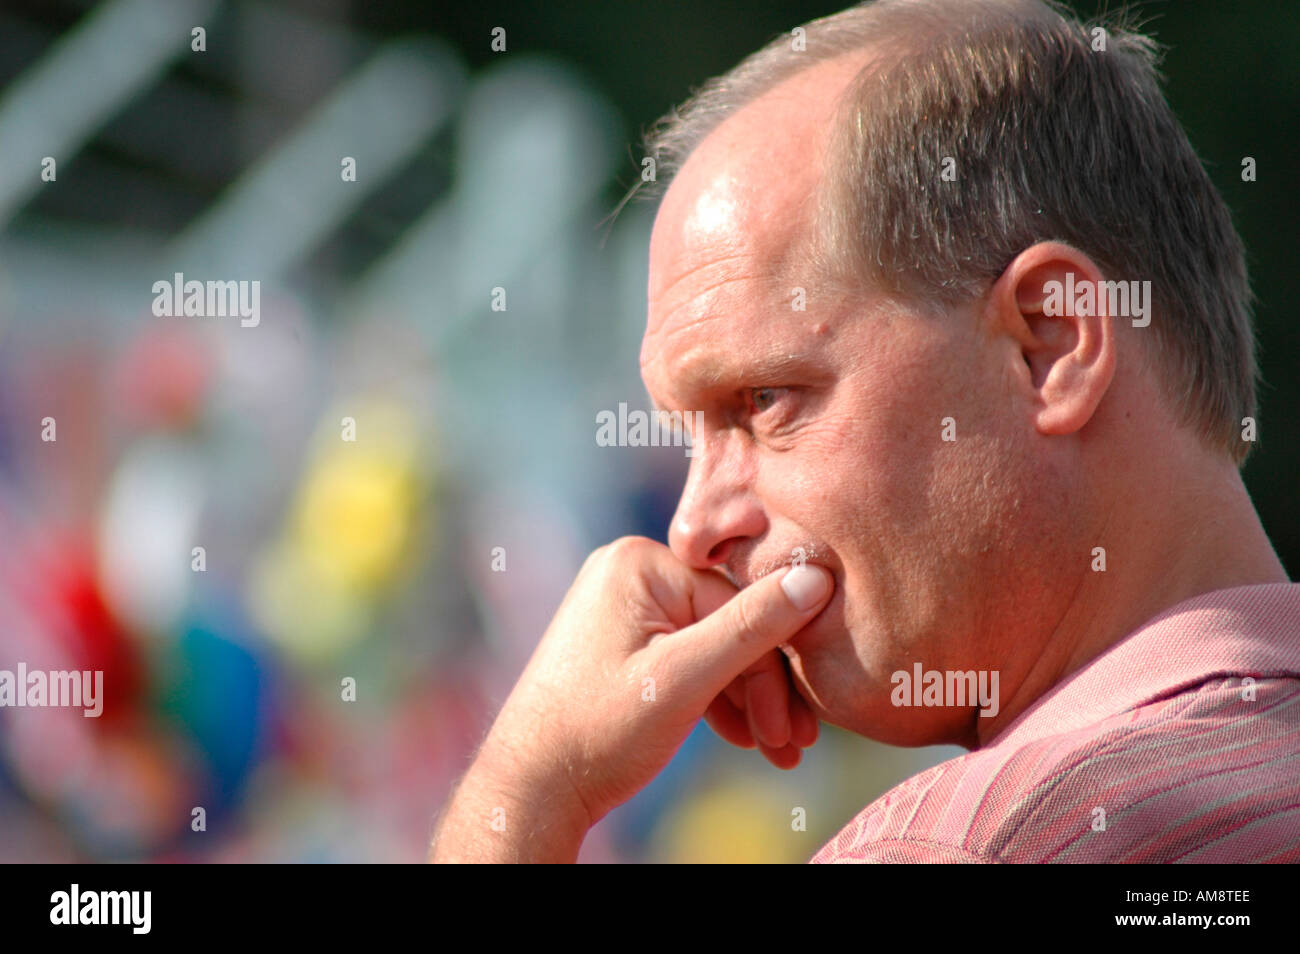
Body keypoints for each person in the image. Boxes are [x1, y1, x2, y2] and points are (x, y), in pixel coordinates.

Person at [430, 0, 1299, 863]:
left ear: (1052, 344)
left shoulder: (972, 842)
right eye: (691, 435)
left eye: (766, 400)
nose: (691, 528)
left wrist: (534, 789)